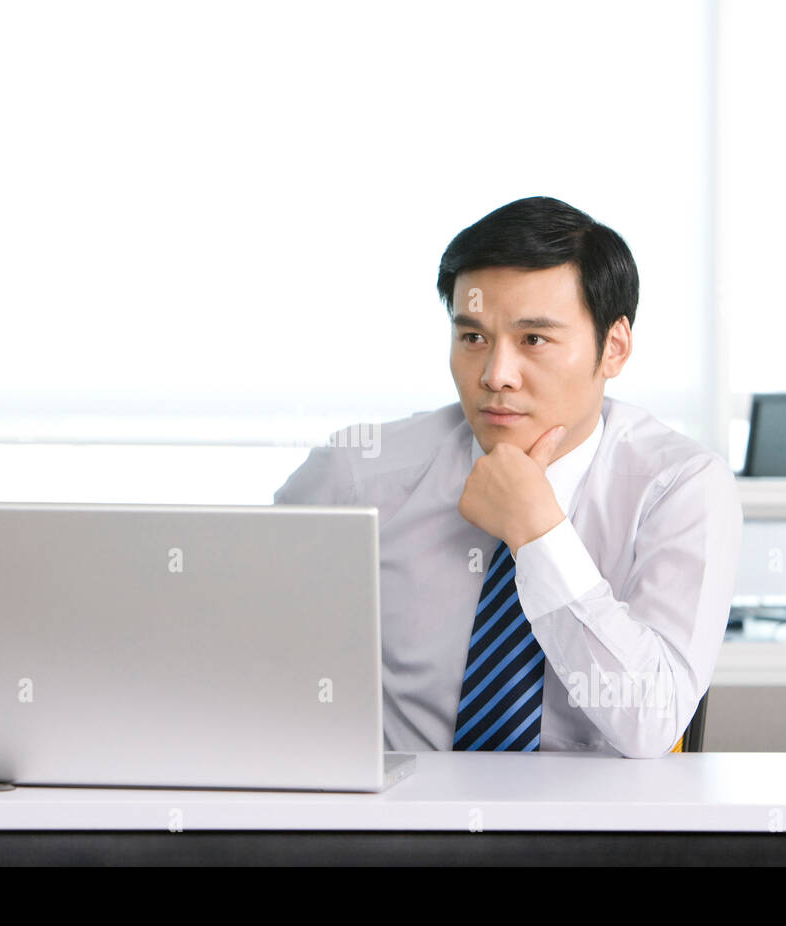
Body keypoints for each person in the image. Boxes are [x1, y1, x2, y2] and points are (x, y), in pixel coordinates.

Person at [274, 197, 742, 758]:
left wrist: (538, 532)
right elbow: (253, 651)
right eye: (473, 338)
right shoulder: (358, 476)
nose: (496, 376)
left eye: (533, 340)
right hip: (397, 827)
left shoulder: (681, 487)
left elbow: (653, 723)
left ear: (613, 348)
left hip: (594, 835)